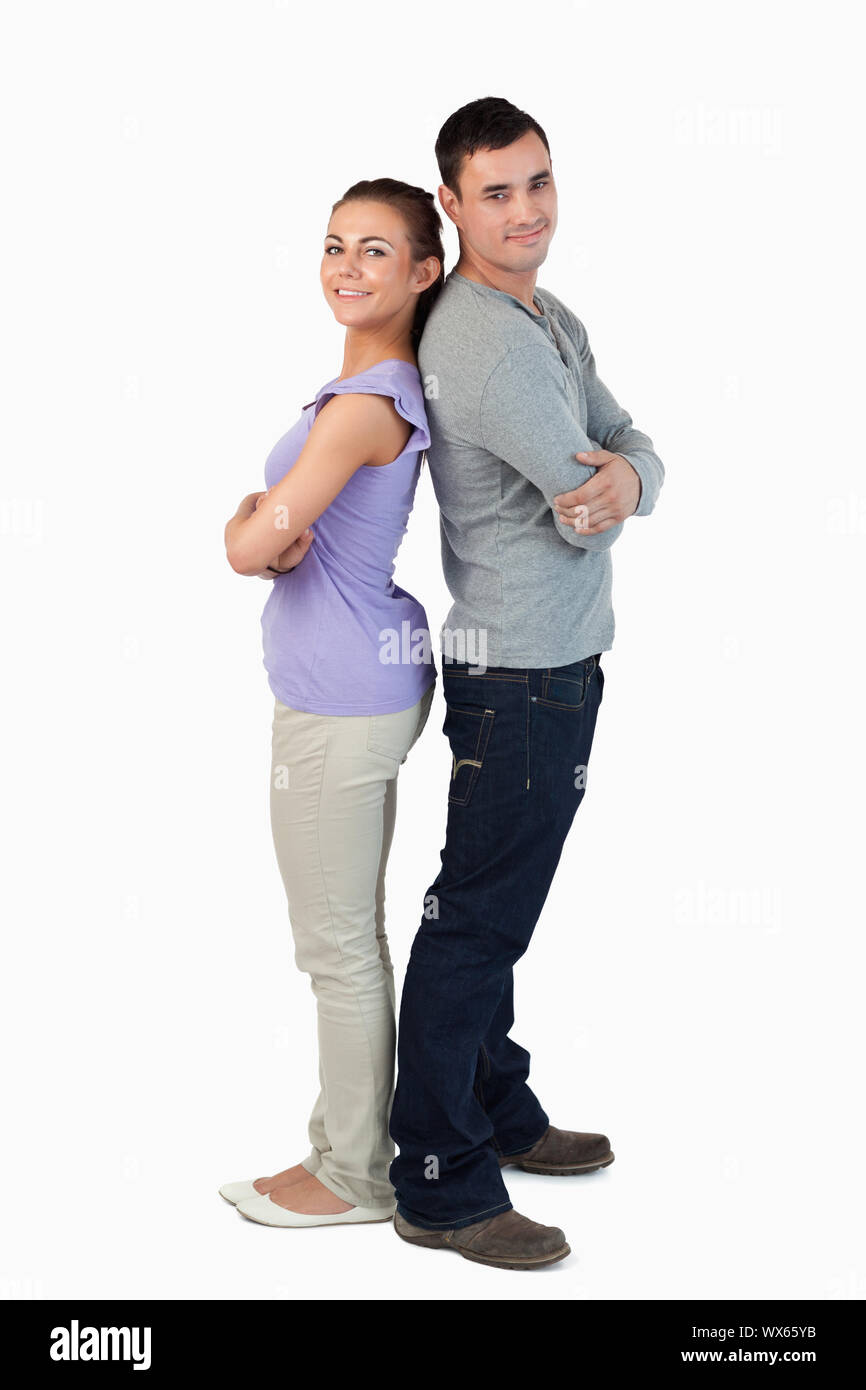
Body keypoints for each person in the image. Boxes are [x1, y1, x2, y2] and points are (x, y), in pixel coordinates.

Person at [389, 98, 665, 1269]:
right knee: (475, 920)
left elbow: (625, 447)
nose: (524, 210)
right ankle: (440, 1181)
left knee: (493, 914)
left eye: (536, 182)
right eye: (494, 192)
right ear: (451, 207)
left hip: (555, 666)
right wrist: (613, 490)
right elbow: (575, 496)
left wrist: (634, 481)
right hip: (519, 674)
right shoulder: (479, 338)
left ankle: (496, 1109)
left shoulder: (547, 312)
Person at [220, 179, 443, 1228]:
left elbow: (254, 540)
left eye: (375, 251)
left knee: (336, 945)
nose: (347, 266)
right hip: (356, 684)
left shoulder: (363, 404)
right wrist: (259, 524)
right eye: (333, 245)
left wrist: (247, 531)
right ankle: (343, 1150)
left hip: (341, 701)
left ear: (421, 272)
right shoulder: (360, 392)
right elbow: (268, 523)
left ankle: (352, 1174)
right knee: (349, 937)